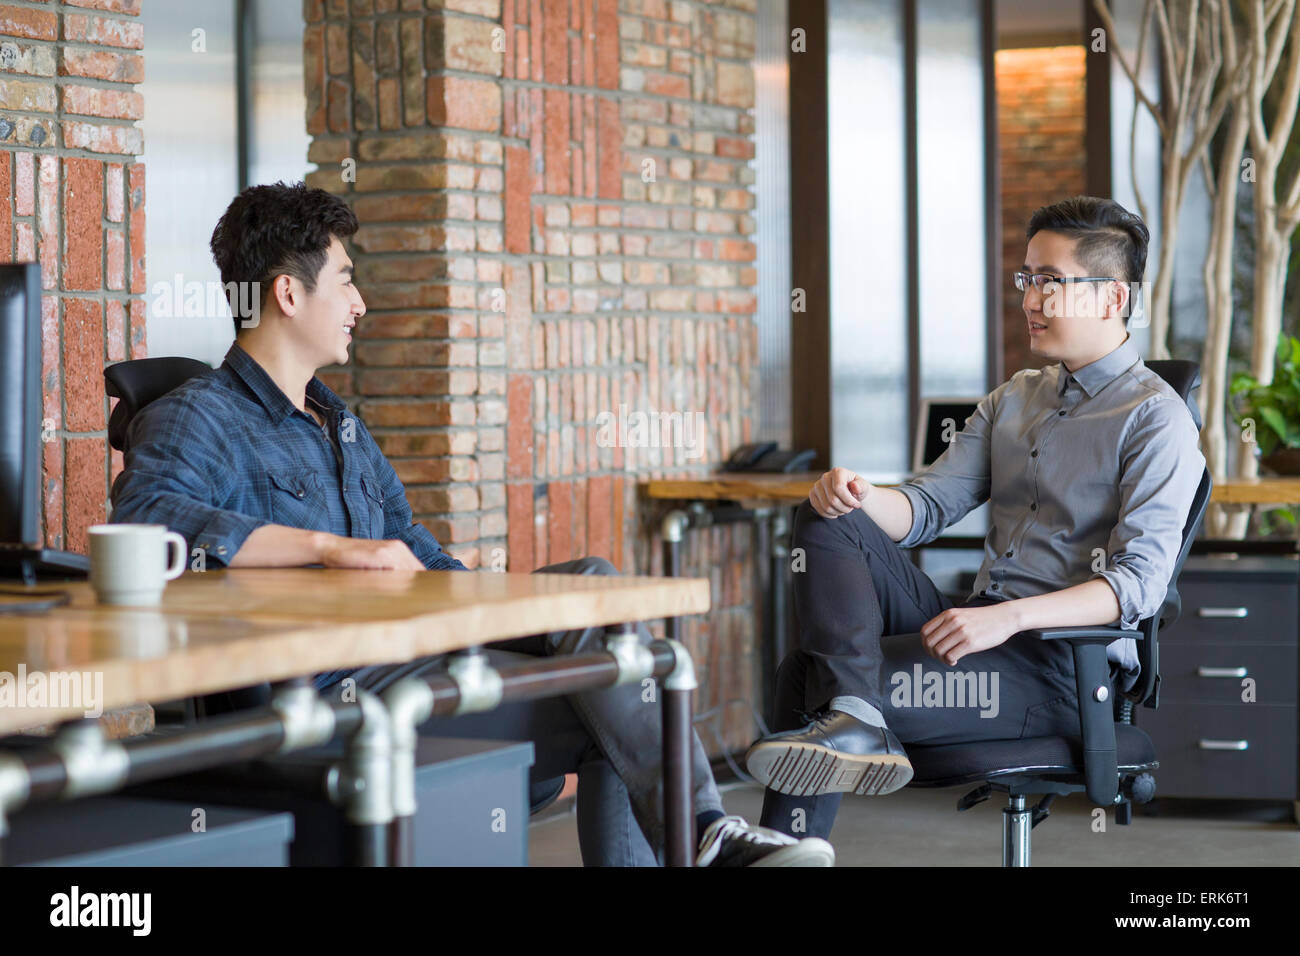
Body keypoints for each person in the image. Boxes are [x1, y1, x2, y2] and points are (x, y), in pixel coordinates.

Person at [110, 181, 835, 868]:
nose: (362, 303)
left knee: (603, 622)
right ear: (289, 293)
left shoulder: (340, 426)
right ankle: (703, 836)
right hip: (330, 696)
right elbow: (149, 524)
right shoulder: (199, 412)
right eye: (347, 280)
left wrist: (508, 611)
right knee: (618, 696)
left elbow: (415, 550)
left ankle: (701, 836)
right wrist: (329, 549)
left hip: (417, 661)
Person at [745, 196, 1204, 840]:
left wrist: (1007, 617)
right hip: (979, 633)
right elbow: (925, 509)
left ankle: (838, 750)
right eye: (1027, 277)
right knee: (829, 518)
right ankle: (844, 739)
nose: (1030, 299)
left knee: (808, 680)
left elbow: (1138, 585)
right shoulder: (1015, 397)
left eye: (1051, 281)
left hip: (1060, 669)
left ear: (1112, 298)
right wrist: (859, 492)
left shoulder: (1156, 419)